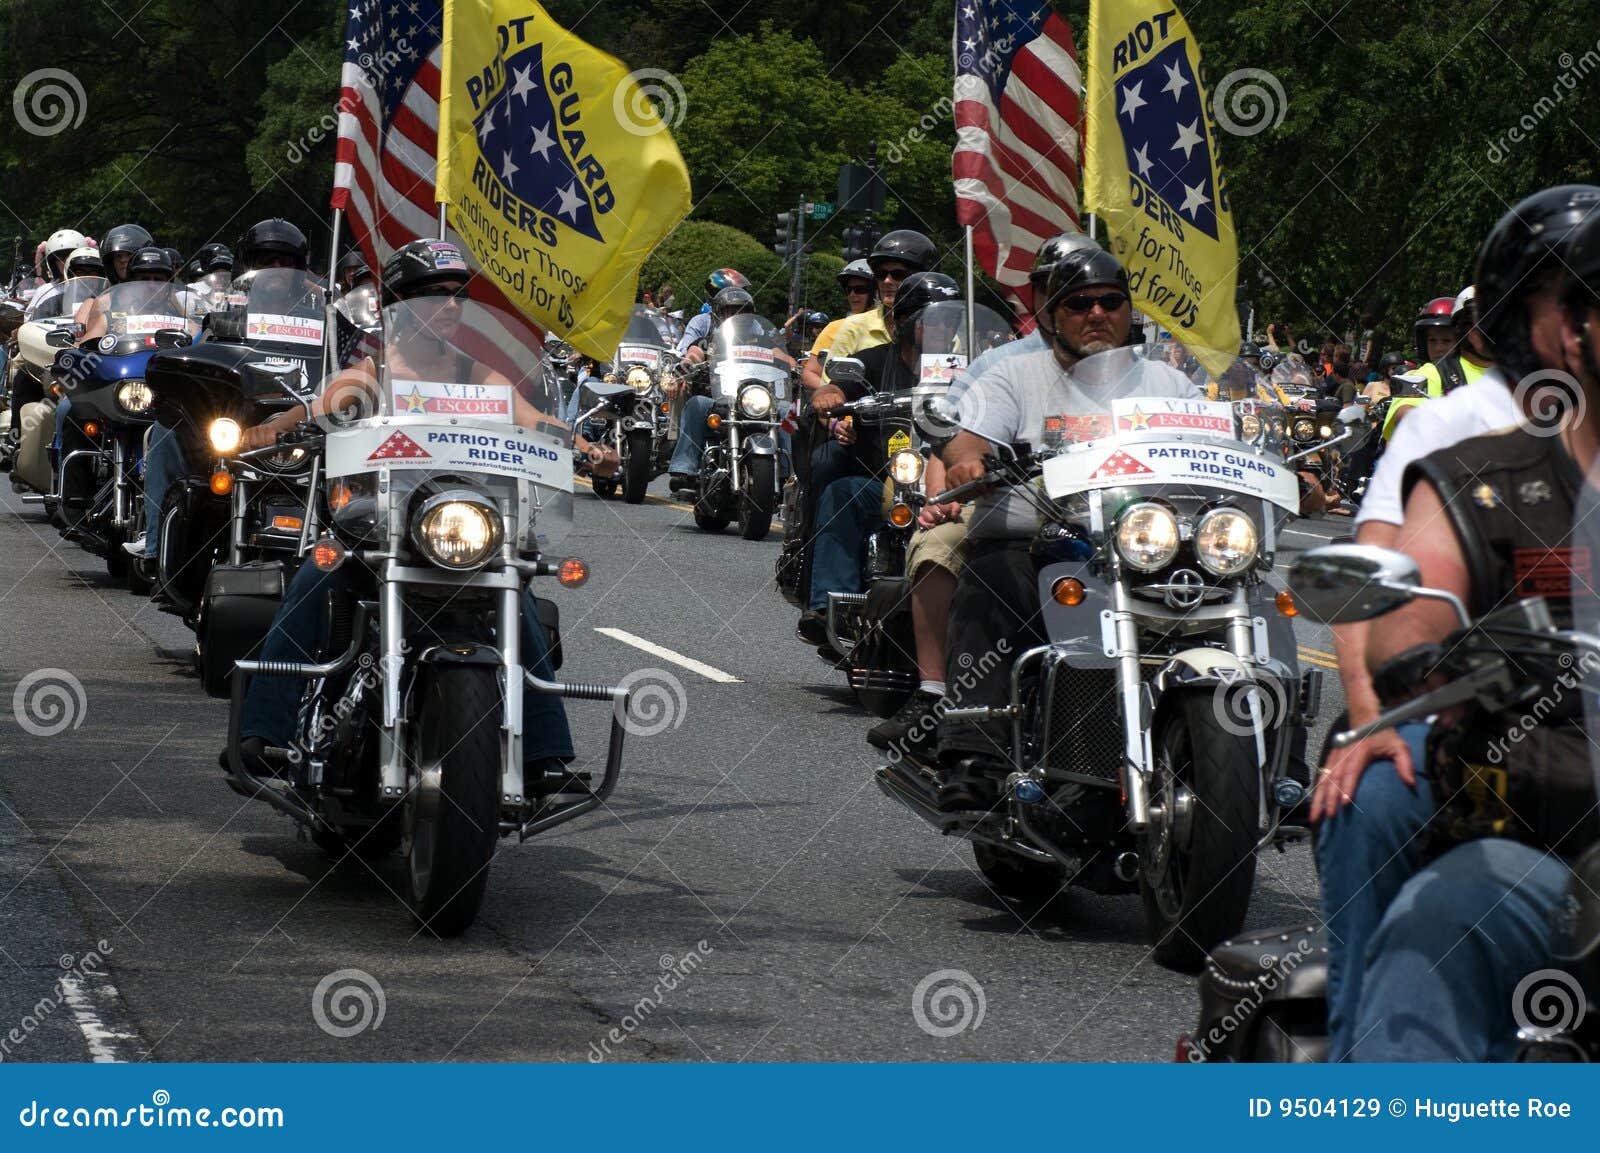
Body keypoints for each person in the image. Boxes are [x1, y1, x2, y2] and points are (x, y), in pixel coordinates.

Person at [1314, 184, 1600, 1061]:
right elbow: (1381, 579)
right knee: (1372, 797)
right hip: (1477, 727)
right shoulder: (1456, 432)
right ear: (1538, 320)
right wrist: (1373, 710)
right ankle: (1366, 1057)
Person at [233, 238, 576, 784]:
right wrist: (275, 428)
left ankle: (544, 753)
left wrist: (582, 445)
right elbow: (325, 403)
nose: (451, 306)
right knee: (316, 574)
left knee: (518, 584)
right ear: (397, 304)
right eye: (433, 295)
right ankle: (264, 730)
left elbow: (530, 417)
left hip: (457, 521)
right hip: (377, 521)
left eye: (458, 295)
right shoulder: (375, 372)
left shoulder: (476, 373)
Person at [933, 243, 1203, 802]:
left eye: (1110, 301)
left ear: (1129, 311)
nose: (1097, 314)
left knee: (1258, 595)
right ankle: (972, 750)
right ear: (1052, 315)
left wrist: (1294, 476)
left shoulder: (1168, 384)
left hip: (1145, 551)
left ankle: (1275, 764)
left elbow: (1223, 444)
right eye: (1079, 304)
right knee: (995, 578)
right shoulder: (1013, 376)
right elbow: (971, 435)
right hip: (1037, 543)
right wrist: (970, 458)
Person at [797, 272, 961, 646]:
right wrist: (830, 395)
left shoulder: (965, 370)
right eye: (930, 319)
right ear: (902, 320)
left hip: (951, 488)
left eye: (949, 319)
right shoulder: (873, 360)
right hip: (883, 481)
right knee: (842, 493)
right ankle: (827, 607)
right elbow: (841, 384)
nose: (941, 328)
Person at [665, 285, 758, 488]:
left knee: (787, 411)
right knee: (697, 403)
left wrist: (794, 367)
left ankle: (790, 474)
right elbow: (693, 354)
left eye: (742, 312)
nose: (736, 316)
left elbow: (783, 358)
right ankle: (685, 468)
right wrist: (685, 365)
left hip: (755, 403)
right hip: (718, 400)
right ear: (718, 314)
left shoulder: (760, 341)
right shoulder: (710, 341)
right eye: (731, 311)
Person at [672, 268, 748, 356]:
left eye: (742, 293)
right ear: (714, 297)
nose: (738, 298)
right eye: (733, 294)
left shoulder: (752, 324)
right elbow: (686, 354)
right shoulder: (701, 323)